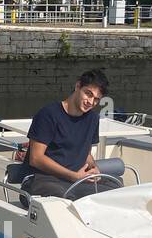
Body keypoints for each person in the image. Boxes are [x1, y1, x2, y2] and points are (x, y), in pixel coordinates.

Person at [23, 68, 115, 199]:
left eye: (96, 99)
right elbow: (36, 158)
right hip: (43, 179)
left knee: (115, 190)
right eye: (88, 94)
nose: (91, 102)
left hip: (76, 180)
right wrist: (72, 175)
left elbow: (86, 154)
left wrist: (94, 168)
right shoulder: (48, 114)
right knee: (65, 200)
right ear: (78, 86)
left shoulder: (93, 119)